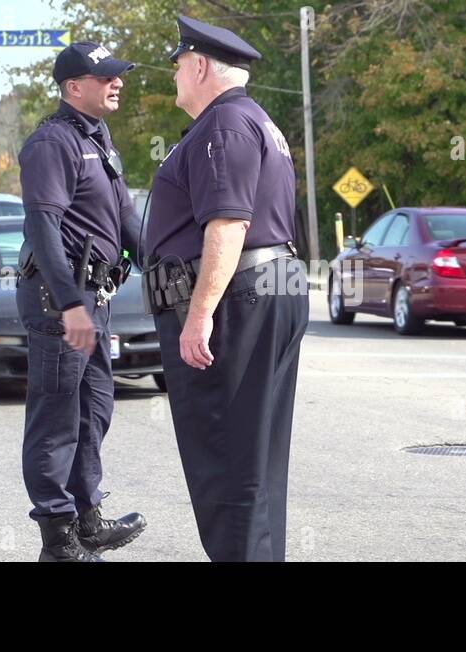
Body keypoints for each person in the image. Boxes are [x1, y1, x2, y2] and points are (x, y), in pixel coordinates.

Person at [143, 15, 309, 562]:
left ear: (198, 66)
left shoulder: (224, 125)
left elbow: (228, 223)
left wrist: (199, 313)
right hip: (267, 287)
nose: (174, 79)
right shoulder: (253, 121)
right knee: (254, 459)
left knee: (227, 458)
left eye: (176, 68)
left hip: (240, 298)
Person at [16, 41, 146, 562]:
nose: (118, 82)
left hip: (96, 296)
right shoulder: (52, 142)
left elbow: (126, 219)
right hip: (60, 300)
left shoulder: (99, 139)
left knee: (93, 409)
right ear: (74, 87)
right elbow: (43, 226)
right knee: (56, 417)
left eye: (118, 75)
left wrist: (171, 266)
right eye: (107, 77)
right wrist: (70, 303)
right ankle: (58, 536)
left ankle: (87, 518)